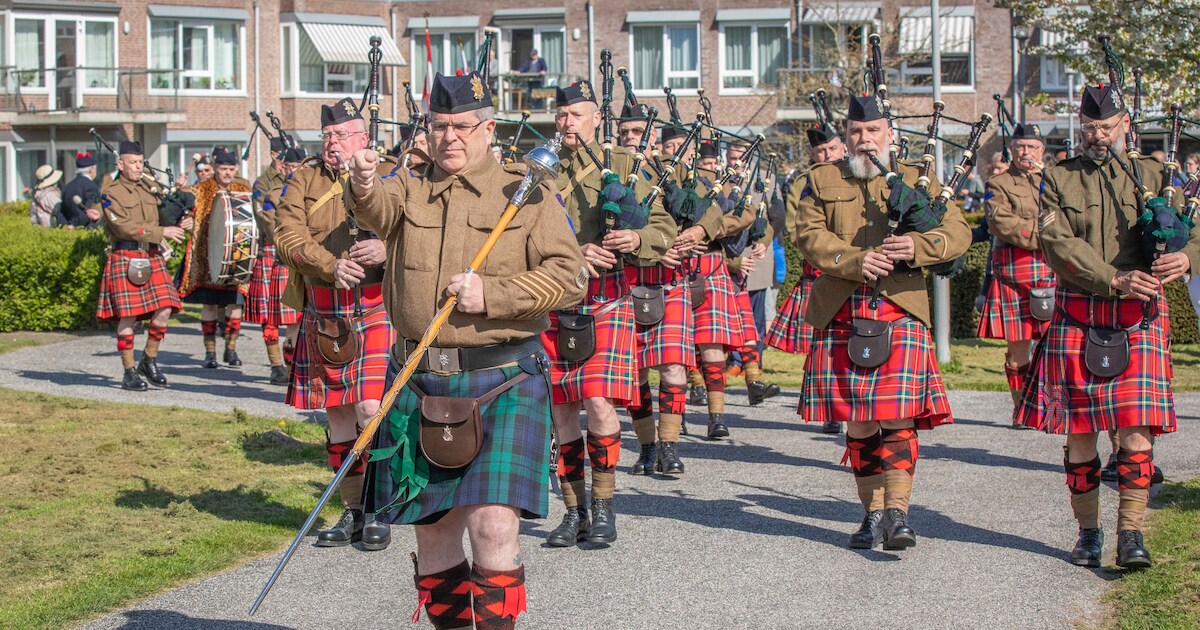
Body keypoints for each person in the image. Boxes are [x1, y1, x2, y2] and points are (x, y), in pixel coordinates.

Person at [348, 71, 585, 630]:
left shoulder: (525, 192)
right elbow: (375, 209)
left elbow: (570, 277)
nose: (449, 137)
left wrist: (493, 295)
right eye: (439, 126)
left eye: (461, 126)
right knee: (432, 530)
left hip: (503, 376)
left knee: (493, 525)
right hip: (419, 378)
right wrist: (362, 182)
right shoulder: (409, 188)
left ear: (489, 128)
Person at [1015, 85, 1199, 569]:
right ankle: (1089, 532)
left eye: (1105, 127)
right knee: (1081, 434)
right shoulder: (1058, 177)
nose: (1096, 135)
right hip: (1079, 314)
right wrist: (1112, 278)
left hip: (1140, 318)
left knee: (1137, 434)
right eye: (1089, 127)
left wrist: (1187, 257)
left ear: (1125, 125)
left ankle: (1131, 534)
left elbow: (1196, 227)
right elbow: (1057, 243)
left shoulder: (1159, 175)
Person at [794, 95, 970, 550]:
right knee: (858, 421)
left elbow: (957, 232)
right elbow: (809, 236)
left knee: (896, 415)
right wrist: (855, 260)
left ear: (889, 134)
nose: (864, 139)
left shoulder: (917, 178)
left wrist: (917, 248)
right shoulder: (822, 178)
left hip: (900, 306)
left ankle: (897, 513)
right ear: (846, 136)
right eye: (856, 132)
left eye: (873, 131)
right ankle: (872, 514)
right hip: (843, 306)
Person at [543, 80, 675, 547]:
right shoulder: (539, 167)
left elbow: (662, 224)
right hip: (554, 298)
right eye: (561, 115)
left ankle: (603, 507)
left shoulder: (621, 163)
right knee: (562, 410)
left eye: (576, 114)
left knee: (598, 402)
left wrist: (638, 239)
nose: (567, 123)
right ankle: (573, 511)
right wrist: (573, 253)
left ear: (597, 119)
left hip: (606, 299)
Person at [276, 97, 396, 550]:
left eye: (340, 134)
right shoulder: (304, 179)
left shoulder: (389, 172)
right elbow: (286, 235)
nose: (331, 142)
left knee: (370, 408)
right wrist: (329, 265)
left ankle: (379, 507)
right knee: (339, 414)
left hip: (375, 304)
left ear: (363, 138)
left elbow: (416, 229)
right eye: (326, 135)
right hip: (324, 307)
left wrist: (386, 248)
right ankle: (354, 510)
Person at [617, 103, 721, 475]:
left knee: (674, 366)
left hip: (669, 282)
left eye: (638, 132)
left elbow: (714, 209)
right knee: (634, 372)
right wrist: (654, 248)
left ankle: (669, 446)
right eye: (625, 132)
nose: (631, 138)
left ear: (651, 136)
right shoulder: (610, 169)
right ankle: (646, 447)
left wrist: (698, 231)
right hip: (628, 281)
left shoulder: (674, 171)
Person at [768, 121, 845, 434]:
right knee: (824, 347)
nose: (827, 155)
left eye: (832, 148)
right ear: (812, 153)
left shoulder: (858, 175)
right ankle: (831, 409)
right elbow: (795, 230)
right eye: (820, 150)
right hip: (819, 275)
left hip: (856, 273)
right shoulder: (803, 183)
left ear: (843, 148)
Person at [93, 141, 188, 390]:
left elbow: (164, 213)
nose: (138, 167)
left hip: (151, 255)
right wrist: (161, 232)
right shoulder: (110, 193)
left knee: (166, 307)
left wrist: (181, 219)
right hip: (125, 255)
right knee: (128, 317)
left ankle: (148, 360)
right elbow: (122, 227)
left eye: (140, 162)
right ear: (120, 164)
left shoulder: (149, 187)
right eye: (133, 163)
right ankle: (129, 372)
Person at [978, 123, 1055, 412]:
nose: (1026, 152)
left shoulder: (1055, 181)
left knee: (1055, 345)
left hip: (1052, 272)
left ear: (1041, 150)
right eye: (1020, 146)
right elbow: (1002, 223)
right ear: (1011, 149)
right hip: (1014, 275)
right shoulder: (998, 183)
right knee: (1018, 349)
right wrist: (1045, 235)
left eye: (1032, 147)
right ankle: (1022, 407)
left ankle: (1051, 404)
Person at [176, 147, 252, 368]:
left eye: (231, 168)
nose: (227, 173)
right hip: (207, 256)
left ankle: (231, 349)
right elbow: (182, 209)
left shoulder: (243, 189)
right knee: (209, 305)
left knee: (235, 304)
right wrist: (188, 220)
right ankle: (210, 353)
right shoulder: (200, 190)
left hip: (237, 256)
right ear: (215, 168)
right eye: (223, 168)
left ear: (236, 169)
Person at [248, 142, 305, 385]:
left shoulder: (309, 190)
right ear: (283, 166)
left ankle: (294, 370)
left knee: (298, 320)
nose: (295, 170)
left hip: (302, 257)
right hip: (275, 255)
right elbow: (272, 229)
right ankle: (276, 366)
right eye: (291, 166)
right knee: (272, 317)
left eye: (299, 166)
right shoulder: (269, 191)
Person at [60, 152, 103, 229]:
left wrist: (68, 225)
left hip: (68, 229)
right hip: (85, 229)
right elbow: (89, 211)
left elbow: (62, 211)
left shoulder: (67, 186)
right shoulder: (91, 186)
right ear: (91, 170)